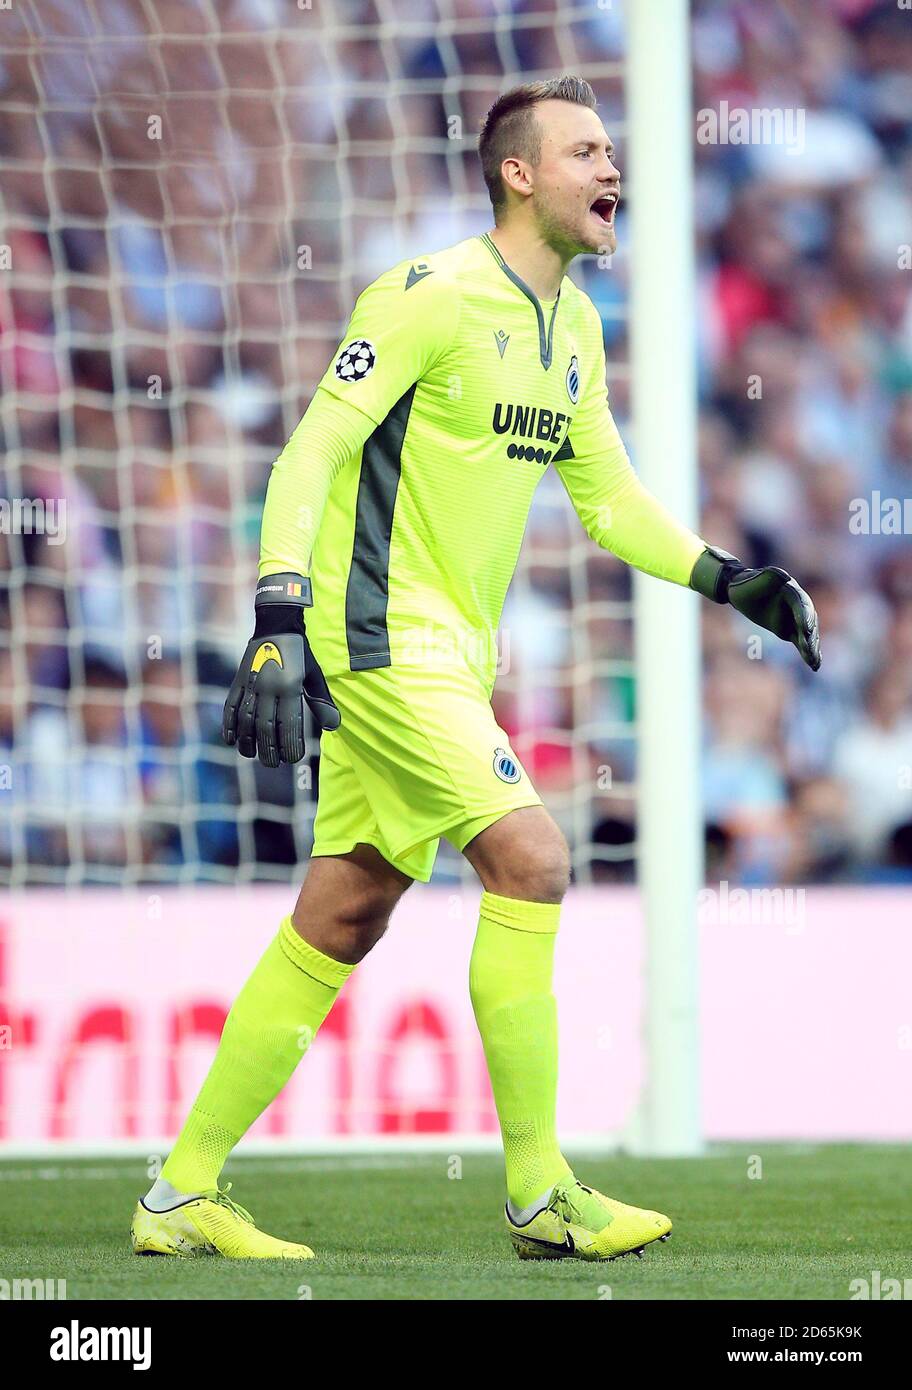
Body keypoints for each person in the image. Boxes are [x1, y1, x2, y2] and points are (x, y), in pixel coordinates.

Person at [131, 75, 820, 1264]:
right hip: (372, 634)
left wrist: (726, 577)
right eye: (588, 153)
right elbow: (313, 448)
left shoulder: (577, 326)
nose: (614, 171)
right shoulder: (426, 296)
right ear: (520, 172)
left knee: (344, 912)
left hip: (452, 650)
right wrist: (277, 606)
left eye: (614, 152)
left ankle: (178, 1193)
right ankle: (539, 1190)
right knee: (534, 854)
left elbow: (605, 500)